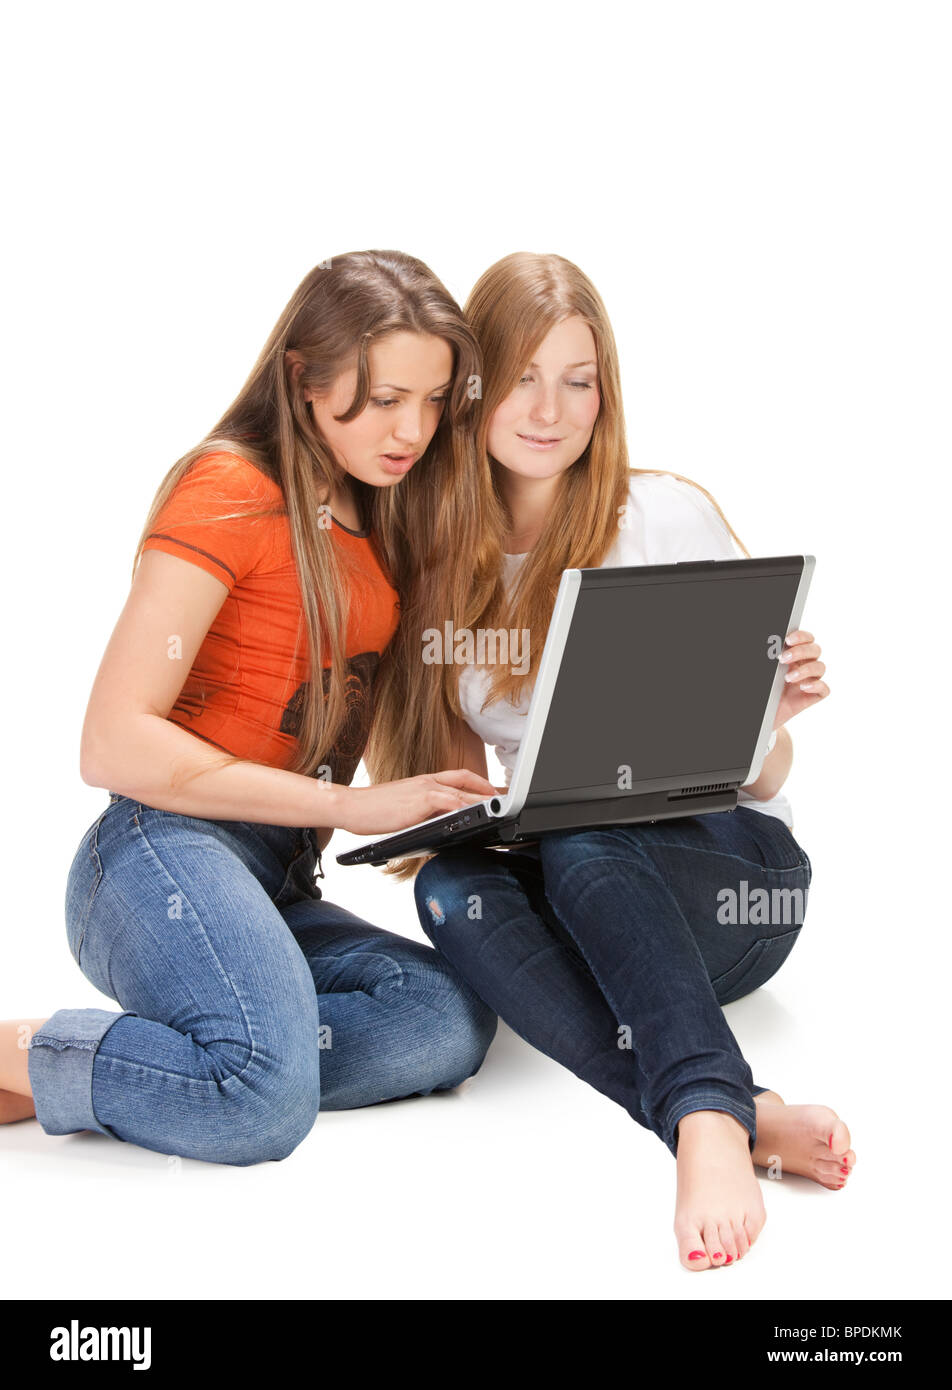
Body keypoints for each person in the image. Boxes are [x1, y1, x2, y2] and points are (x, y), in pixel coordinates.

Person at [402, 252, 855, 1270]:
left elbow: (769, 777)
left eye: (578, 377)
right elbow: (457, 782)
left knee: (584, 813)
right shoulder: (438, 560)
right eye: (522, 375)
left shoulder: (660, 514)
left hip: (730, 878)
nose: (549, 408)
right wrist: (478, 810)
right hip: (577, 882)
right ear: (475, 386)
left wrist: (762, 714)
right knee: (449, 889)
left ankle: (700, 1117)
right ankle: (744, 1111)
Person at [0, 250, 499, 1165]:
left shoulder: (383, 517)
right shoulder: (231, 489)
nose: (413, 429)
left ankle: (191, 1058)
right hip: (160, 851)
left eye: (434, 401)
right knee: (265, 1103)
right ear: (304, 379)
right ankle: (33, 1054)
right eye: (385, 398)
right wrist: (345, 808)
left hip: (274, 883)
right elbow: (110, 740)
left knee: (448, 1020)